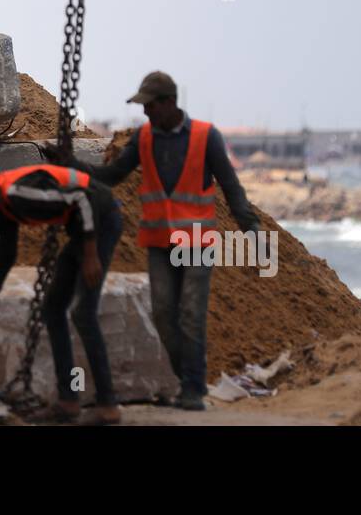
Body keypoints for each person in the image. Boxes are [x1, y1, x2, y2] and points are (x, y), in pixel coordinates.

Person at [69, 70, 261, 411]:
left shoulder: (205, 137)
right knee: (162, 314)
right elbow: (112, 176)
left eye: (150, 106)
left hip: (198, 242)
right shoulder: (144, 139)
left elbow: (231, 187)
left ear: (170, 103)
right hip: (159, 242)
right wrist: (72, 166)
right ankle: (188, 379)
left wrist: (253, 232)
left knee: (191, 312)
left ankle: (193, 389)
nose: (145, 113)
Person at [0, 162, 122, 424]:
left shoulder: (19, 194)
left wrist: (91, 255)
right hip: (81, 231)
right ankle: (68, 401)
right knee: (53, 309)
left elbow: (83, 196)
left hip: (103, 219)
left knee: (83, 312)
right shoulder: (4, 208)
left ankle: (108, 405)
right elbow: (4, 260)